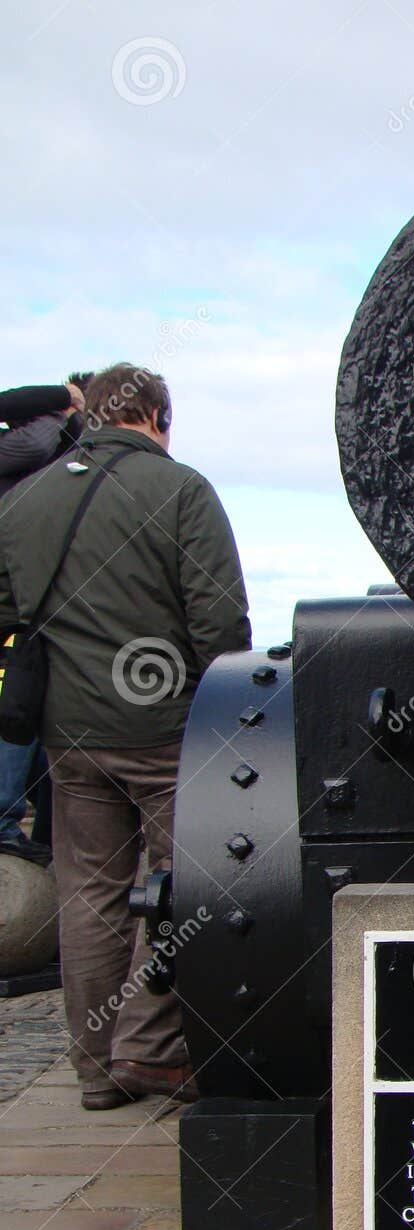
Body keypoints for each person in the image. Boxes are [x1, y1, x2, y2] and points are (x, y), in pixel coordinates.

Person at [0, 364, 251, 1108]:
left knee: (89, 895)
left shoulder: (26, 499)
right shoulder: (179, 490)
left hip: (68, 736)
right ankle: (148, 1046)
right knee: (182, 885)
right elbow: (221, 627)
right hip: (167, 729)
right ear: (155, 416)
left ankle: (97, 1071)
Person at [0, 377, 91, 863]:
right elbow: (39, 437)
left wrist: (69, 414)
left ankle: (37, 834)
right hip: (20, 615)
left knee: (34, 726)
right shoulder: (29, 452)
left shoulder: (52, 461)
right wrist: (64, 401)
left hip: (36, 614)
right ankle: (5, 823)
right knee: (15, 709)